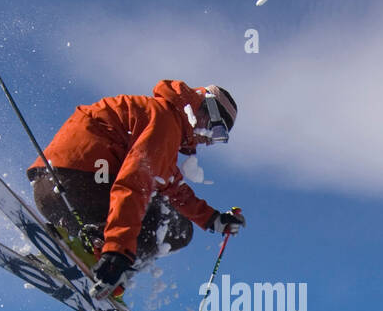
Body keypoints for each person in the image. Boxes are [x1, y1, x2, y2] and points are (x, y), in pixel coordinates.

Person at [27, 80, 244, 298]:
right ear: (204, 112)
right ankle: (100, 266)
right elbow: (134, 184)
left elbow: (173, 187)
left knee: (170, 215)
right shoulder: (166, 122)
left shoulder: (159, 119)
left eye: (218, 140)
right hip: (80, 187)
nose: (209, 142)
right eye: (216, 131)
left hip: (51, 190)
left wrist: (213, 218)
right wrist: (118, 251)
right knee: (174, 227)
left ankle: (70, 247)